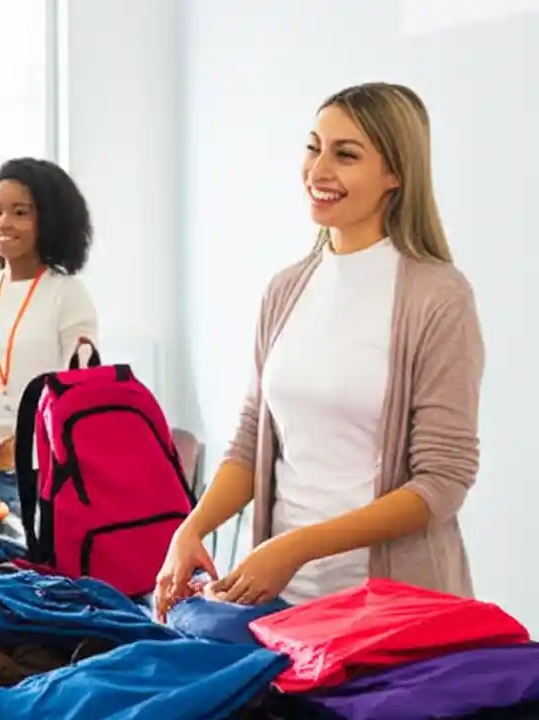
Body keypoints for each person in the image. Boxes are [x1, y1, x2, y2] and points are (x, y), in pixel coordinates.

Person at [155, 82, 484, 617]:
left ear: (395, 174)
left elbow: (441, 483)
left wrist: (297, 546)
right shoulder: (287, 289)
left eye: (346, 154)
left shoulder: (437, 297)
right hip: (280, 601)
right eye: (314, 147)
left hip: (381, 609)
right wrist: (190, 529)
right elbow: (251, 442)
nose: (318, 170)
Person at [0, 158, 99, 514]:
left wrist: (19, 446)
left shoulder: (67, 294)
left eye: (20, 212)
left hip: (52, 475)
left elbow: (78, 398)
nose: (4, 223)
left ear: (49, 219)